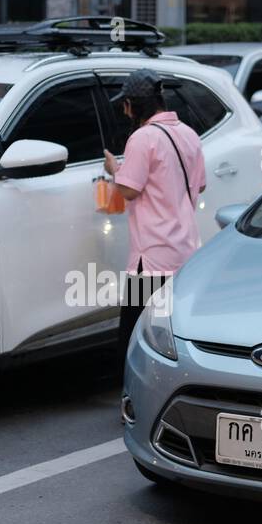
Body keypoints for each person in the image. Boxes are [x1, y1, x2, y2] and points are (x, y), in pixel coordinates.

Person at [103, 69, 207, 359]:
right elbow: (200, 184)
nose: (124, 111)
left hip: (149, 259)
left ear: (134, 104)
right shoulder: (188, 134)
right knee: (172, 335)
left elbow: (128, 190)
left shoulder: (142, 138)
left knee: (133, 338)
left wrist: (114, 169)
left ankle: (134, 395)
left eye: (125, 104)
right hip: (183, 252)